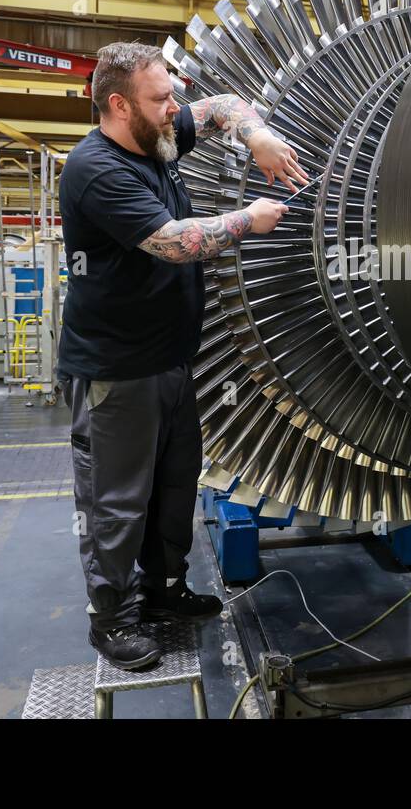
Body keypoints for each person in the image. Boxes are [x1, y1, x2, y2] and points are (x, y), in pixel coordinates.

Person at [58, 41, 308, 670]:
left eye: (172, 95)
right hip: (116, 371)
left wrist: (258, 136)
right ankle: (112, 620)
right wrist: (247, 219)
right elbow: (173, 243)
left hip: (171, 361)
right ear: (119, 106)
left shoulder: (158, 137)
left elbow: (222, 106)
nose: (174, 108)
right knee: (117, 503)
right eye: (160, 98)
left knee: (173, 489)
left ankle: (164, 591)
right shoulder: (96, 170)